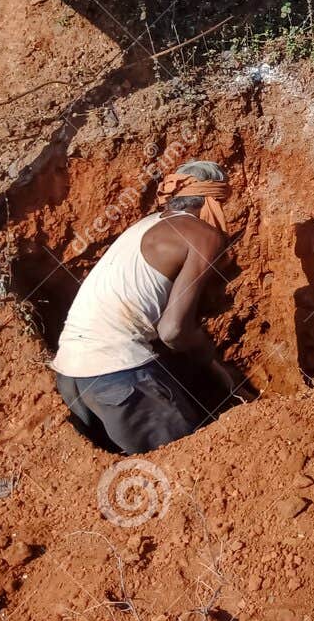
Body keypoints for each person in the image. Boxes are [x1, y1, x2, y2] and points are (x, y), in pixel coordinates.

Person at [51, 160, 245, 454]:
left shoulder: (146, 226)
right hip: (117, 376)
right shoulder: (203, 235)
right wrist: (217, 368)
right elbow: (172, 331)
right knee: (187, 461)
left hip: (71, 375)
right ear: (213, 200)